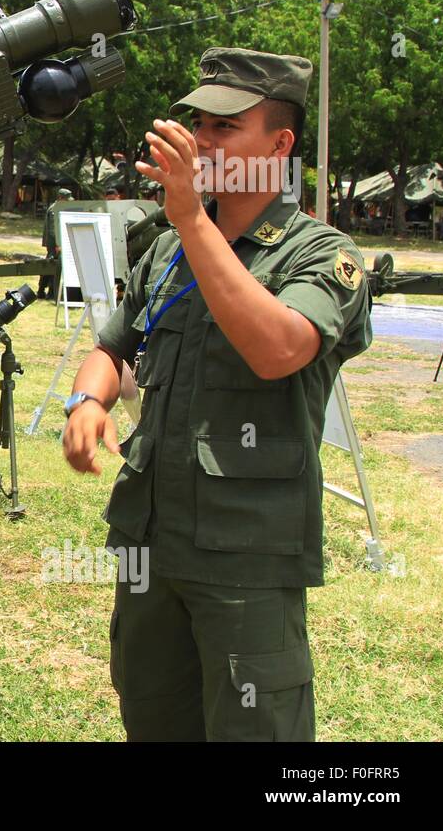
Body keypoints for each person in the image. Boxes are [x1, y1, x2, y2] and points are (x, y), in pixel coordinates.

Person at [61, 47, 372, 741]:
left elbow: (279, 348)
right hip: (150, 542)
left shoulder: (320, 254)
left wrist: (193, 222)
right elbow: (115, 345)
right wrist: (87, 402)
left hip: (246, 557)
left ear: (280, 144)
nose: (202, 140)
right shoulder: (170, 247)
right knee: (153, 717)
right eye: (199, 122)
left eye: (225, 127)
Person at [37, 187, 72, 300]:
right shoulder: (54, 209)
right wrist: (58, 244)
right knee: (50, 266)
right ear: (61, 198)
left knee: (53, 267)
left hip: (57, 244)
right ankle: (43, 291)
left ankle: (50, 291)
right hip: (54, 244)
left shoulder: (59, 208)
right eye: (66, 199)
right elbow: (53, 230)